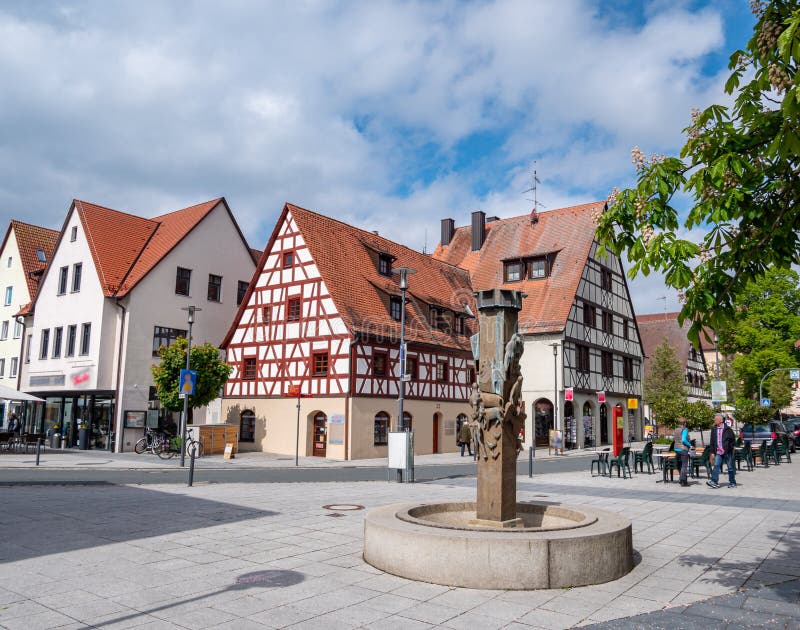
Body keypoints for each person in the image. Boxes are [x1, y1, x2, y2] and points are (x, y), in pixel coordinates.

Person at [707, 413, 736, 489]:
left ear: (721, 420)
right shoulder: (714, 429)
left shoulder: (728, 429)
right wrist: (712, 452)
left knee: (730, 467)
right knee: (716, 466)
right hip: (718, 452)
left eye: (716, 419)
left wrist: (730, 448)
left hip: (727, 452)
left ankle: (732, 482)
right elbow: (712, 442)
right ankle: (714, 482)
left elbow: (733, 440)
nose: (714, 420)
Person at [673, 417, 692, 487]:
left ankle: (681, 478)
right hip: (683, 449)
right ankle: (683, 481)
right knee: (684, 465)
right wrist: (690, 445)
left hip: (677, 449)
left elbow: (675, 439)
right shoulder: (685, 429)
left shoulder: (676, 430)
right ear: (684, 423)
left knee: (680, 465)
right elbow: (684, 440)